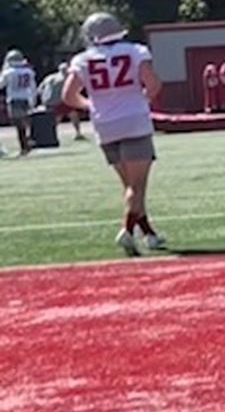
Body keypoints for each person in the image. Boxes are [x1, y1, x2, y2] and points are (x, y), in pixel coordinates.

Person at [60, 13, 166, 255]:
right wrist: (142, 98)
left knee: (130, 186)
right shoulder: (135, 51)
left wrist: (92, 105)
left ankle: (149, 234)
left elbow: (68, 96)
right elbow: (153, 84)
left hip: (104, 124)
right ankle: (127, 231)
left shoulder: (82, 59)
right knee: (137, 186)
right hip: (134, 121)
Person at [3, 49, 37, 156]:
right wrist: (33, 99)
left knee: (19, 125)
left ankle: (24, 146)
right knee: (26, 121)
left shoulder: (8, 72)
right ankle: (28, 140)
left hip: (14, 99)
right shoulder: (28, 71)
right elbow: (33, 87)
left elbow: (1, 84)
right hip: (26, 98)